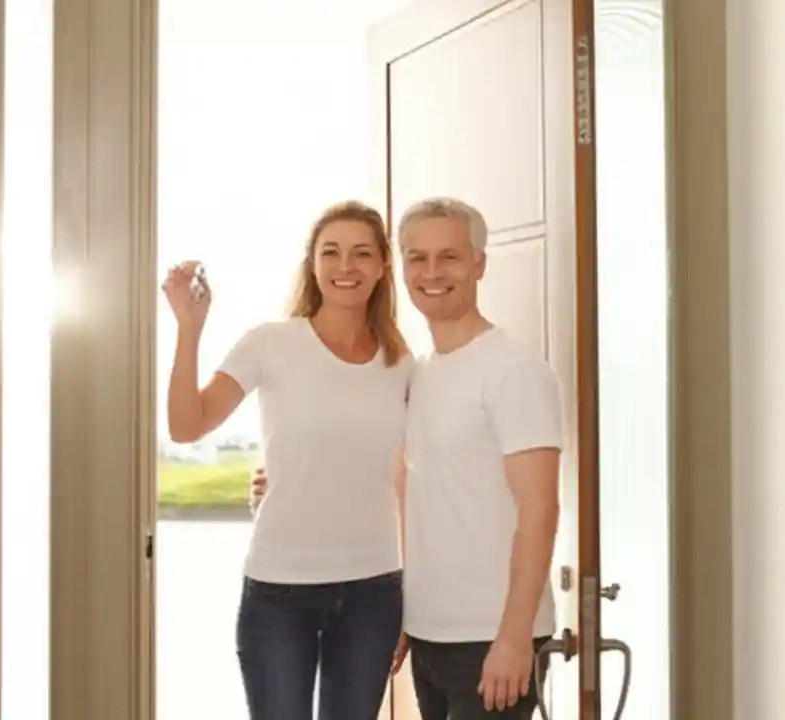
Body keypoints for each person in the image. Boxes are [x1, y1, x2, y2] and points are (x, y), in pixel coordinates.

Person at [251, 197, 563, 719]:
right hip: (428, 633)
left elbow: (540, 510)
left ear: (479, 263)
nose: (432, 272)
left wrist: (514, 638)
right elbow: (403, 486)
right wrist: (281, 483)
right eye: (417, 258)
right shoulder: (417, 372)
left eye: (450, 257)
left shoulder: (513, 369)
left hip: (492, 639)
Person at [162, 200, 413, 720]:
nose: (347, 266)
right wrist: (190, 328)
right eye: (332, 252)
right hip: (280, 593)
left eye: (362, 253)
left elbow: (408, 478)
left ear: (383, 266)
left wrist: (419, 587)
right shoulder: (270, 344)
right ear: (313, 264)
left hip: (374, 592)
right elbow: (187, 425)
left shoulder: (400, 363)